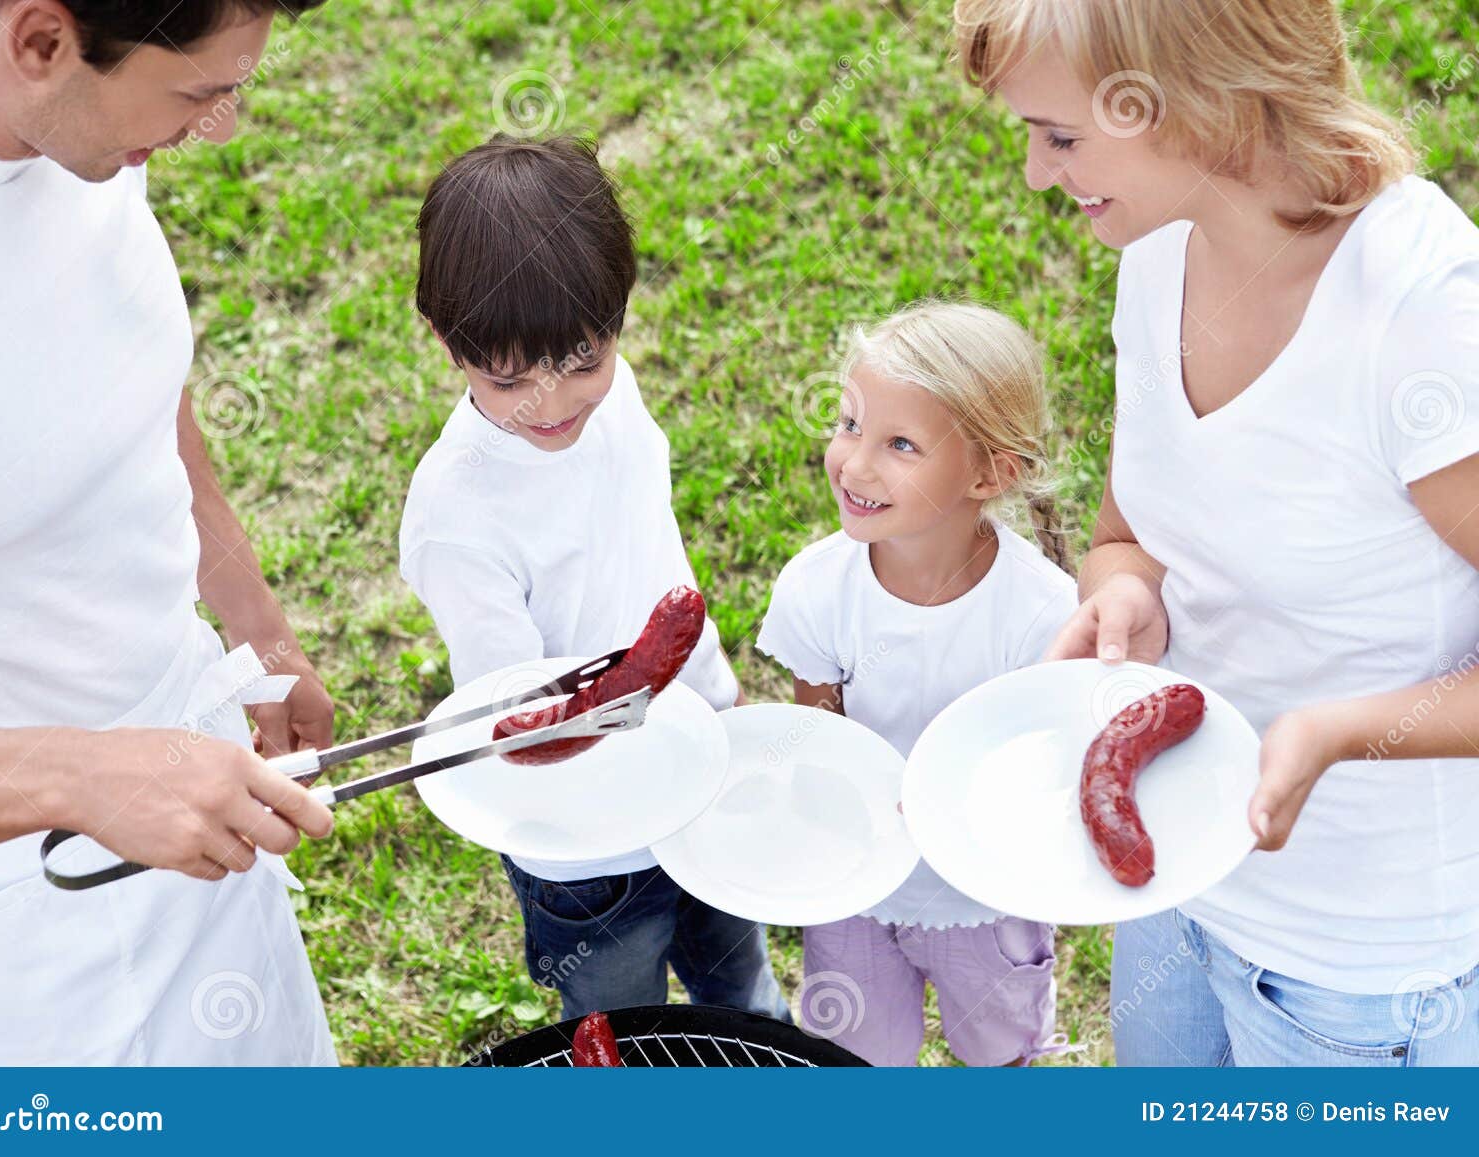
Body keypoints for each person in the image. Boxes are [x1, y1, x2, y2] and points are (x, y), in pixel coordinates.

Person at [955, 0, 1479, 1064]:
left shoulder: (1419, 313)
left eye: (1059, 137)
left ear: (1192, 103)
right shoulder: (1160, 248)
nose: (1034, 176)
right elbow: (1130, 529)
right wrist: (1122, 588)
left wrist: (1336, 731)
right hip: (1177, 875)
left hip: (1355, 962)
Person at [0, 0, 338, 1064]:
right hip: (28, 933)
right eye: (198, 94)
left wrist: (253, 620)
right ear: (40, 41)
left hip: (194, 765)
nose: (220, 126)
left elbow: (129, 374)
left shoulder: (71, 126)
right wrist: (83, 779)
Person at [399, 134, 789, 1022]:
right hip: (588, 846)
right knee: (621, 1026)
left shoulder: (613, 395)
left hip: (701, 753)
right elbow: (518, 714)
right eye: (509, 378)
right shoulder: (456, 518)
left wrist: (693, 708)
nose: (552, 400)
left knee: (745, 996)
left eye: (583, 357)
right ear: (444, 343)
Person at [758, 301, 1079, 1065]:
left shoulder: (1042, 614)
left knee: (1001, 1060)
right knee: (855, 1066)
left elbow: (1042, 773)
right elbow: (823, 739)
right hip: (857, 889)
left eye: (900, 443)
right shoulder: (816, 588)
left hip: (984, 903)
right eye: (849, 425)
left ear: (991, 471)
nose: (856, 464)